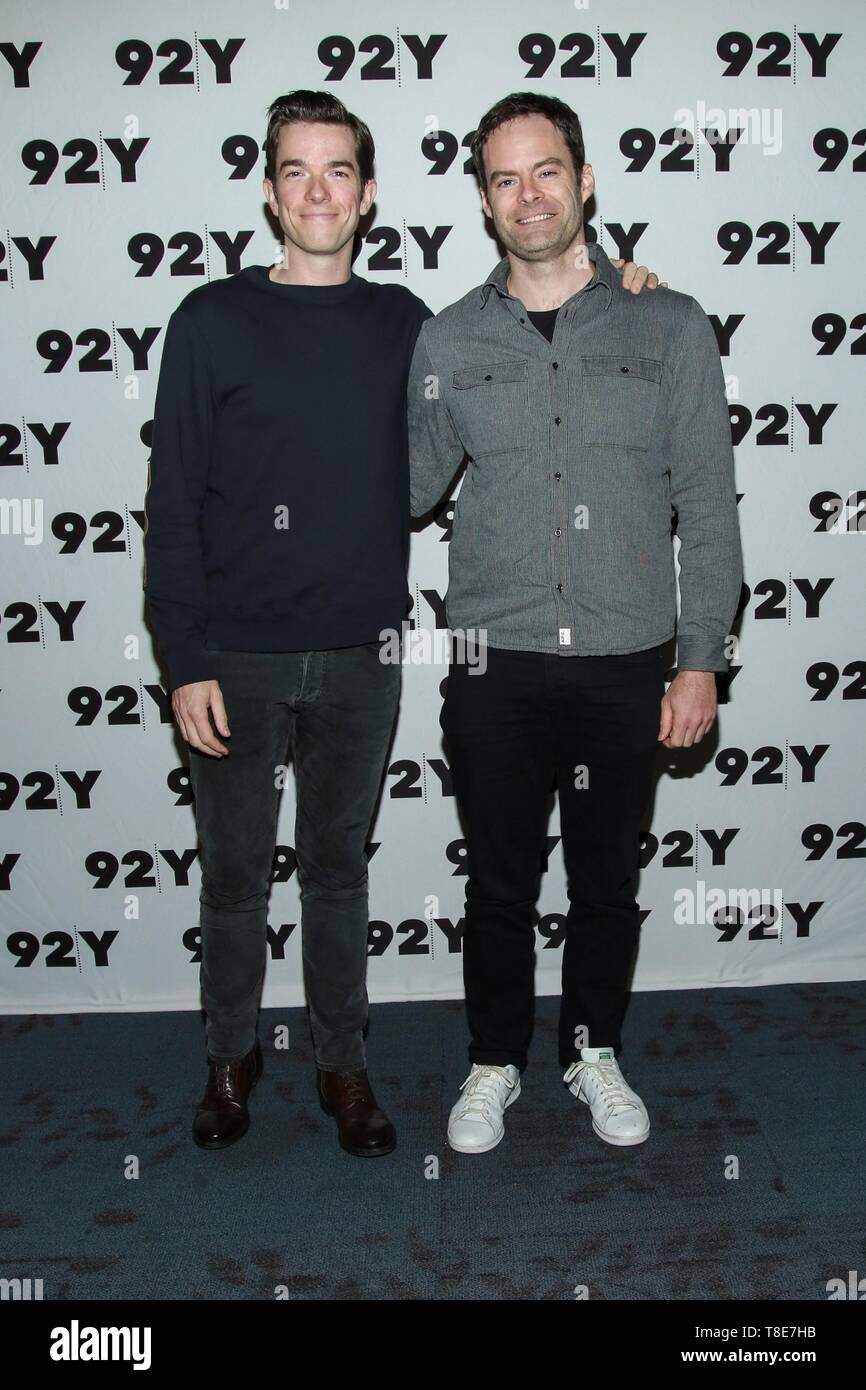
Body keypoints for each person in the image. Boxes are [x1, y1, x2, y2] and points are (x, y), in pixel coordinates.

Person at [143, 87, 658, 1158]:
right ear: (271, 193)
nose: (318, 189)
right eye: (296, 170)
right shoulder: (208, 320)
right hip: (231, 654)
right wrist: (182, 653)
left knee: (339, 873)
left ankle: (343, 1065)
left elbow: (524, 343)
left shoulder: (410, 327)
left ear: (369, 194)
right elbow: (174, 497)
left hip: (362, 655)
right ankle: (229, 1059)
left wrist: (620, 280)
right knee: (233, 875)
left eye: (338, 170)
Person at [407, 92, 743, 1154]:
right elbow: (403, 487)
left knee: (607, 883)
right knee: (499, 881)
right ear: (482, 201)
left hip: (625, 662)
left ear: (584, 180)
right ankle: (494, 1059)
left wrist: (699, 663)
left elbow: (706, 501)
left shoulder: (667, 322)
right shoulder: (446, 336)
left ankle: (592, 1048)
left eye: (545, 170)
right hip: (492, 663)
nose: (527, 195)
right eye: (503, 179)